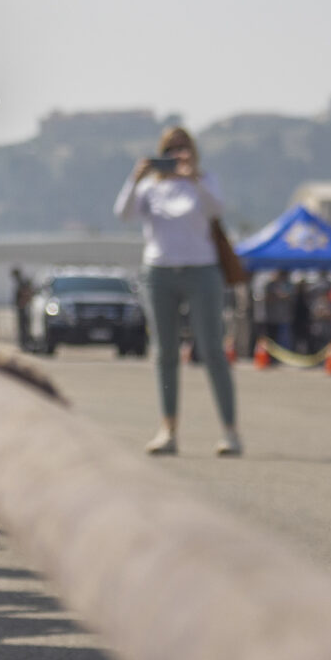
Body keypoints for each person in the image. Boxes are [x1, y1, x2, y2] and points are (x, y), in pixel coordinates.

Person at [114, 126, 241, 458]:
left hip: (202, 270)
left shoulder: (204, 181)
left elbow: (217, 209)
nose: (176, 155)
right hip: (159, 271)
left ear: (193, 151)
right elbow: (123, 213)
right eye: (169, 150)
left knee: (212, 349)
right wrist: (136, 176)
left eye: (183, 148)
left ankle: (230, 431)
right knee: (165, 352)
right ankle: (168, 429)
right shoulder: (151, 188)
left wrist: (194, 177)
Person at [11, 266, 36, 350]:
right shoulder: (21, 281)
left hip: (23, 307)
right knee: (23, 326)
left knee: (24, 326)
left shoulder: (22, 281)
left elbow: (26, 293)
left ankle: (26, 343)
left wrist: (23, 303)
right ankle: (24, 343)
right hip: (21, 307)